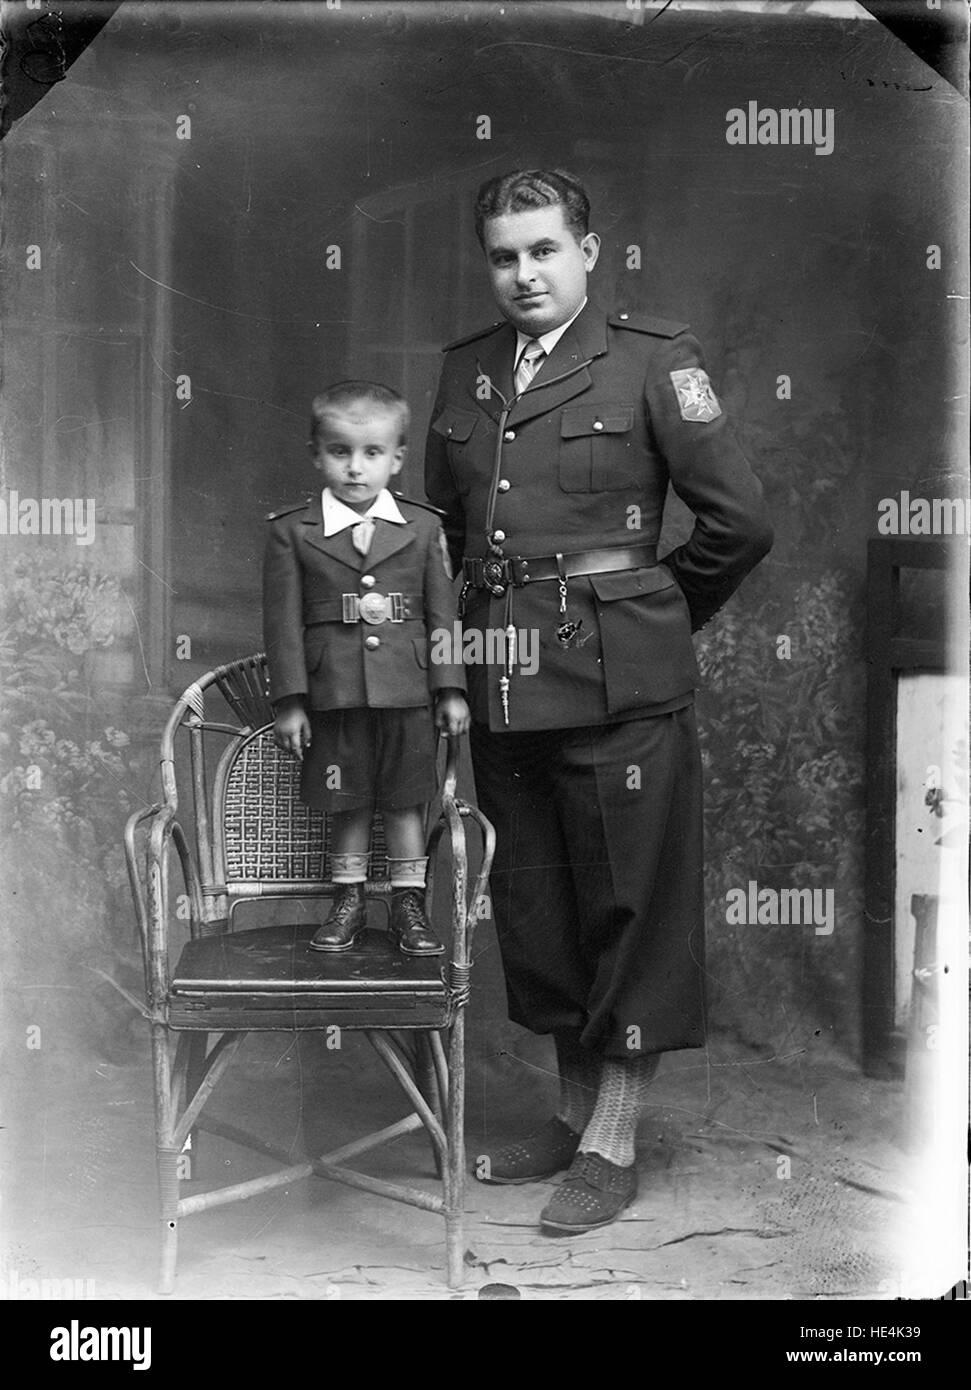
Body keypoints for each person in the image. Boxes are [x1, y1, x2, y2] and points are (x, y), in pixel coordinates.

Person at [424, 169, 773, 1231]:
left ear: (587, 250)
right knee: (537, 910)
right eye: (502, 255)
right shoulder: (467, 369)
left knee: (629, 908)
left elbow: (737, 526)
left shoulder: (654, 362)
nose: (522, 273)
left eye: (541, 250)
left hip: (618, 688)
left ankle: (613, 1142)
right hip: (501, 689)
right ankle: (575, 1120)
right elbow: (443, 535)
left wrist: (646, 620)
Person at [264, 380, 469, 957]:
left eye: (372, 453)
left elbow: (441, 615)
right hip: (335, 693)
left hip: (407, 691)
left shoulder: (425, 528)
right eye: (340, 452)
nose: (356, 468)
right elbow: (281, 625)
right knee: (347, 797)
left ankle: (407, 904)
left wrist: (450, 688)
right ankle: (348, 900)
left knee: (406, 797)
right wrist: (291, 702)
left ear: (397, 459)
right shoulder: (291, 531)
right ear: (316, 453)